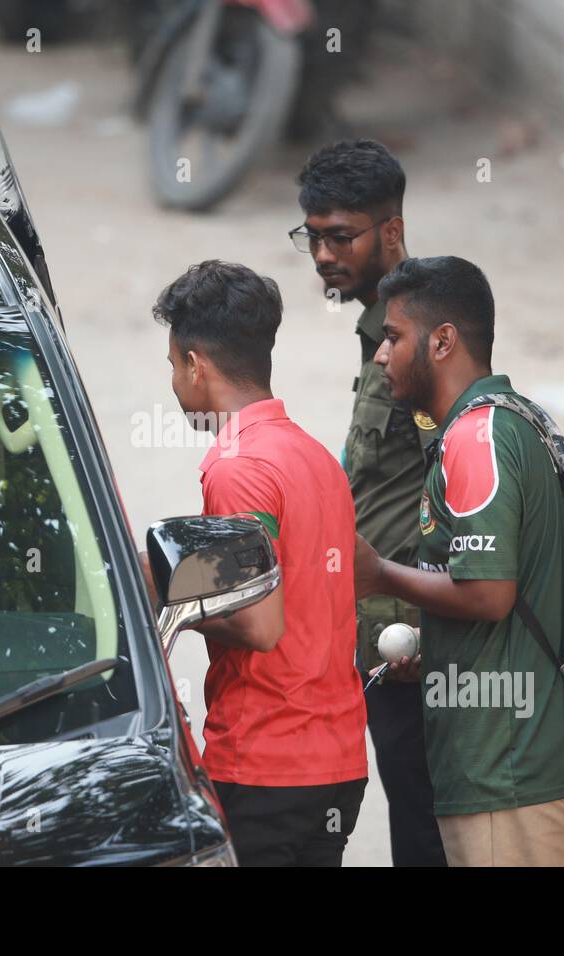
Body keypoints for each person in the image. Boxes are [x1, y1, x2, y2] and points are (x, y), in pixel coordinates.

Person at [354, 255, 564, 866]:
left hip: (507, 771)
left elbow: (489, 593)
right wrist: (432, 645)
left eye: (393, 336)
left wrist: (379, 574)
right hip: (532, 764)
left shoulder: (475, 436)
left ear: (442, 341)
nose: (381, 355)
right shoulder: (516, 420)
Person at [152, 259, 367, 866]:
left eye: (173, 365)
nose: (173, 384)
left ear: (197, 364)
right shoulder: (317, 458)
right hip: (337, 763)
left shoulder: (237, 466)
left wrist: (170, 595)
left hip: (266, 766)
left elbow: (260, 624)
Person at [292, 139, 445, 866]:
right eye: (312, 236)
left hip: (409, 637)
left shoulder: (417, 331)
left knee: (426, 825)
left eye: (339, 236)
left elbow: (456, 486)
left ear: (390, 231)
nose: (323, 254)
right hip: (378, 625)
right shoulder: (374, 326)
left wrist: (421, 624)